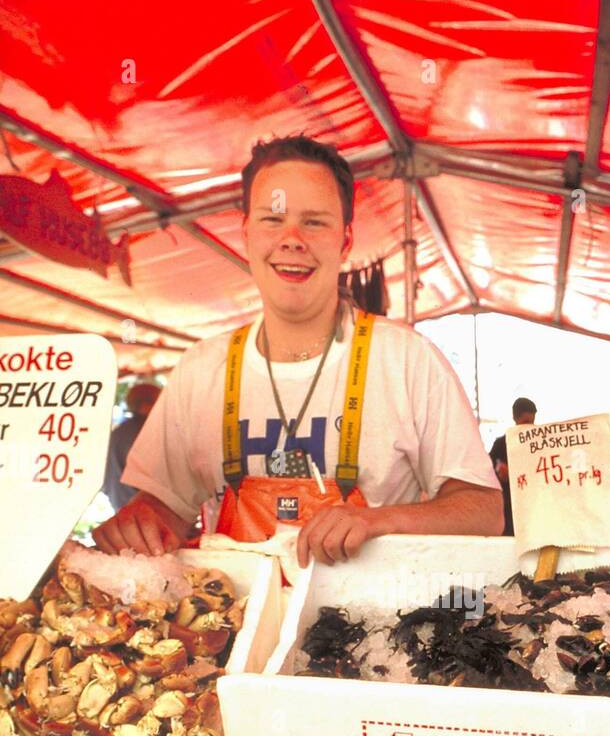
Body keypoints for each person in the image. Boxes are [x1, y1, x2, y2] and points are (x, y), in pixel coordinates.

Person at [94, 136, 502, 564]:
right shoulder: (201, 369)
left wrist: (382, 521)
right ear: (247, 232)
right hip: (234, 622)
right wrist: (141, 519)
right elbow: (164, 508)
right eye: (273, 220)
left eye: (314, 222)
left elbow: (484, 511)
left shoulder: (407, 360)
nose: (292, 240)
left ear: (345, 241)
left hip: (368, 624)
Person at [102, 382, 161, 512]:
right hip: (149, 516)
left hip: (123, 513)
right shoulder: (147, 433)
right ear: (147, 405)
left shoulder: (117, 433)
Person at [489, 397, 536, 535]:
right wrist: (499, 472)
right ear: (515, 419)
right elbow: (488, 472)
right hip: (508, 511)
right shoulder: (501, 444)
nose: (529, 427)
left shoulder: (537, 443)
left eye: (532, 422)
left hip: (531, 508)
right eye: (526, 422)